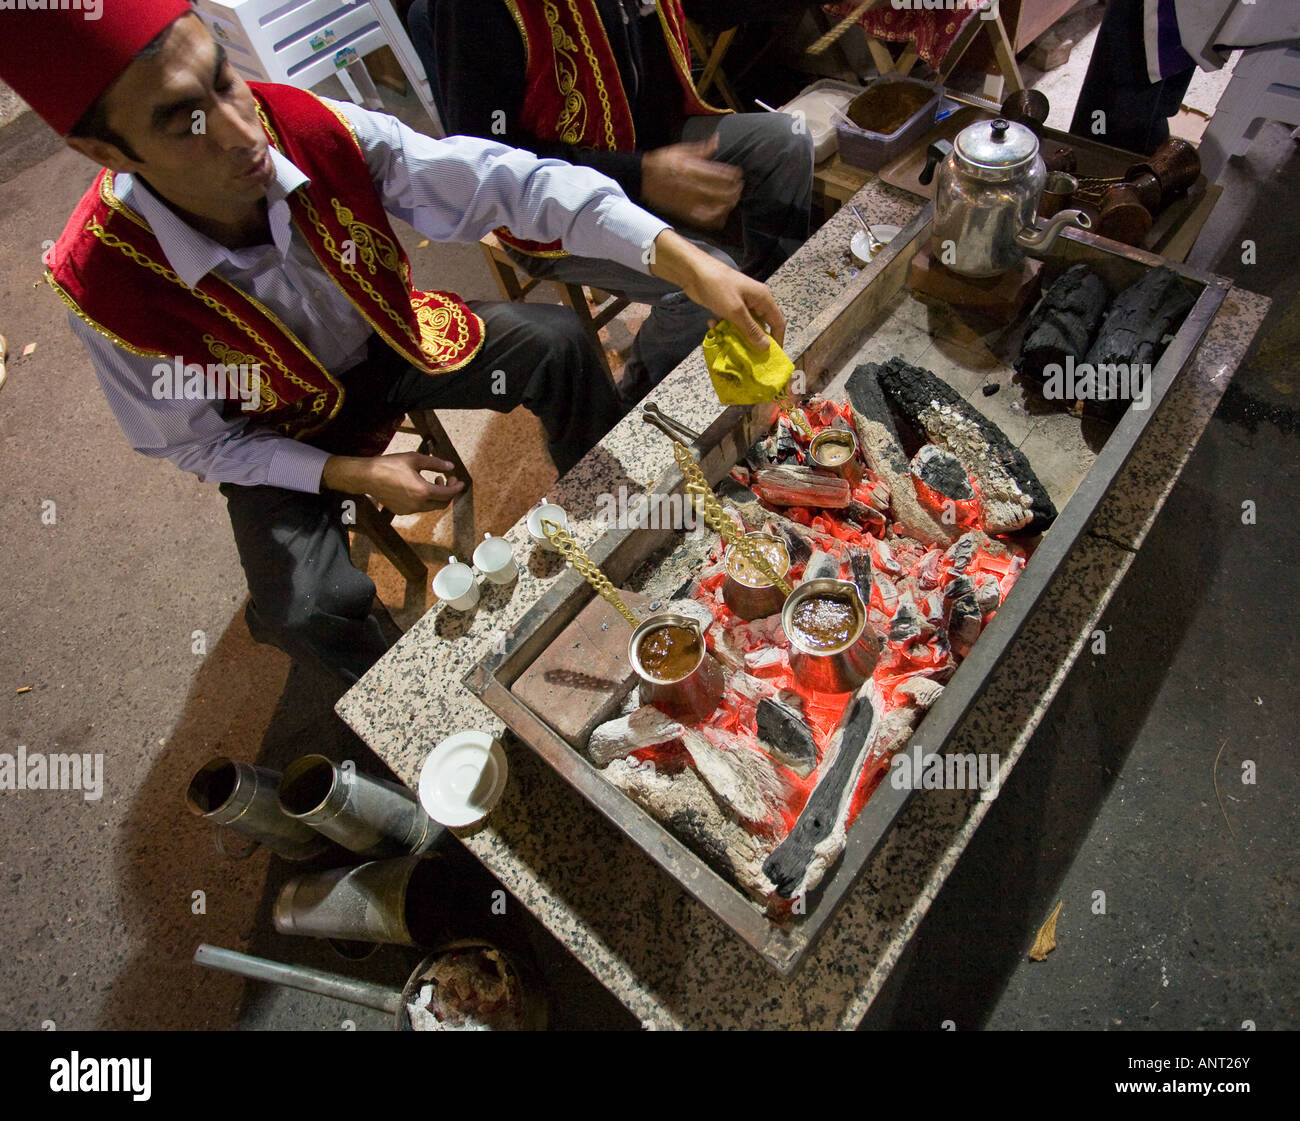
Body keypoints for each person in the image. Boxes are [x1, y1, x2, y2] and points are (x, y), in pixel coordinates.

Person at [0, 1, 785, 685]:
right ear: (108, 154)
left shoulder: (305, 125)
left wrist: (676, 260)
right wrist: (356, 472)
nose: (245, 135)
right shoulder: (105, 278)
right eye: (187, 124)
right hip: (279, 427)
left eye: (224, 78)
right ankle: (410, 742)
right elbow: (199, 446)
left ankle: (619, 532)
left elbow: (503, 179)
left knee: (554, 343)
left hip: (387, 338)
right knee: (311, 608)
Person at [408, 0, 814, 402]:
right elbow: (488, 160)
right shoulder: (466, 10)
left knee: (784, 142)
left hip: (648, 145)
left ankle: (758, 323)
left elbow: (707, 10)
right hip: (552, 203)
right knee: (697, 285)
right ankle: (635, 407)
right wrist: (641, 175)